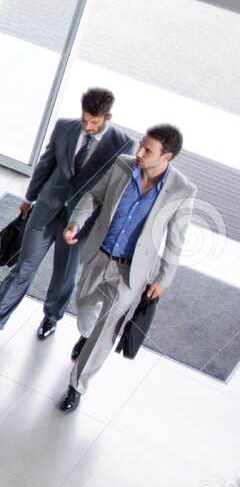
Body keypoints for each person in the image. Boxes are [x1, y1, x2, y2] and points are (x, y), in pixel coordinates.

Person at [0, 88, 131, 343]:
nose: (87, 126)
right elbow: (46, 163)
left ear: (107, 117)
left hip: (81, 221)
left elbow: (112, 190)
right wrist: (30, 197)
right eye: (84, 119)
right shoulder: (64, 127)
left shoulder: (123, 145)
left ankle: (51, 317)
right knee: (23, 268)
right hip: (47, 208)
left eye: (94, 122)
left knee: (64, 275)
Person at [58, 124, 198, 413]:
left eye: (148, 150)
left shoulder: (182, 190)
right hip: (99, 256)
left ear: (167, 156)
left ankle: (77, 386)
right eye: (141, 146)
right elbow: (93, 196)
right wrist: (76, 222)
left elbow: (176, 238)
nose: (139, 152)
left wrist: (164, 278)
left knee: (107, 330)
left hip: (131, 273)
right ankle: (85, 336)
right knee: (84, 308)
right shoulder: (124, 166)